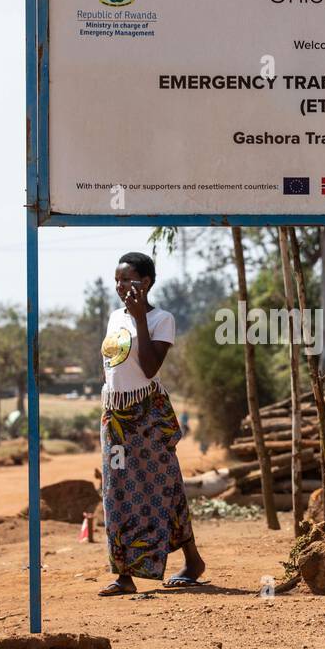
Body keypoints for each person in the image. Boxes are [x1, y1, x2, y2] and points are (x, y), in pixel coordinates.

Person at [97, 251, 205, 596]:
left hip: (147, 417)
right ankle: (124, 575)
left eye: (127, 280)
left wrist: (141, 317)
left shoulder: (162, 319)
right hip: (115, 417)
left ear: (145, 283)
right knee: (116, 492)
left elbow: (148, 368)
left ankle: (192, 561)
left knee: (165, 487)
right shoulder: (115, 318)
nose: (120, 286)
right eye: (117, 280)